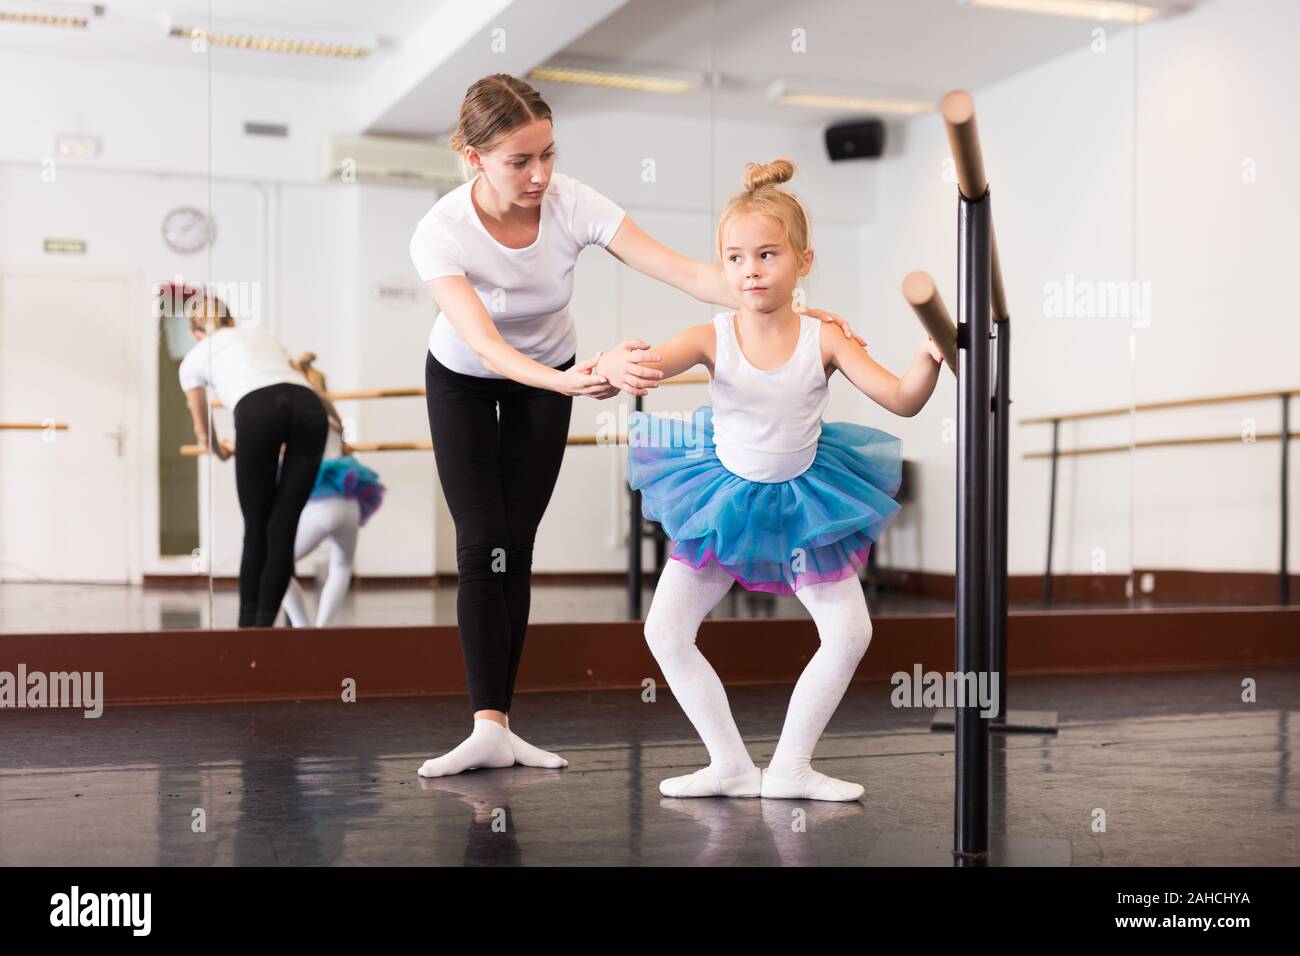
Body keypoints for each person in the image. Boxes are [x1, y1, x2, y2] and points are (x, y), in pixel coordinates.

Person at [408, 73, 864, 779]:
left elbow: (686, 272)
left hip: (552, 371)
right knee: (481, 541)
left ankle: (500, 722)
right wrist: (569, 380)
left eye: (548, 154)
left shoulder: (571, 202)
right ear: (474, 158)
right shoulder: (441, 230)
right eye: (519, 161)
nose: (540, 175)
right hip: (467, 377)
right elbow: (487, 344)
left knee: (516, 543)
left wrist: (794, 305)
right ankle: (482, 724)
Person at [620, 159, 945, 801]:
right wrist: (613, 363)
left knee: (851, 632)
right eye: (735, 258)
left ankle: (792, 766)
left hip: (805, 501)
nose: (751, 270)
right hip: (724, 501)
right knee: (664, 630)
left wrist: (929, 354)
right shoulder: (712, 335)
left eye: (767, 254)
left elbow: (902, 400)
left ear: (803, 260)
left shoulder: (825, 338)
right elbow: (648, 364)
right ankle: (732, 765)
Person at [178, 295, 328, 628]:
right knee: (282, 527)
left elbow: (204, 433)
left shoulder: (194, 359)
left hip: (258, 411)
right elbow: (295, 380)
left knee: (256, 529)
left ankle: (249, 634)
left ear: (195, 332)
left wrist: (222, 451)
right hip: (309, 408)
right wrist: (339, 425)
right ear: (230, 320)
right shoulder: (262, 334)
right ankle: (264, 629)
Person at [278, 354, 385, 628]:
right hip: (349, 505)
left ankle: (303, 629)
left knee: (273, 563)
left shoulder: (299, 418)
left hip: (321, 506)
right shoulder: (335, 422)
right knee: (342, 565)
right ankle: (322, 628)